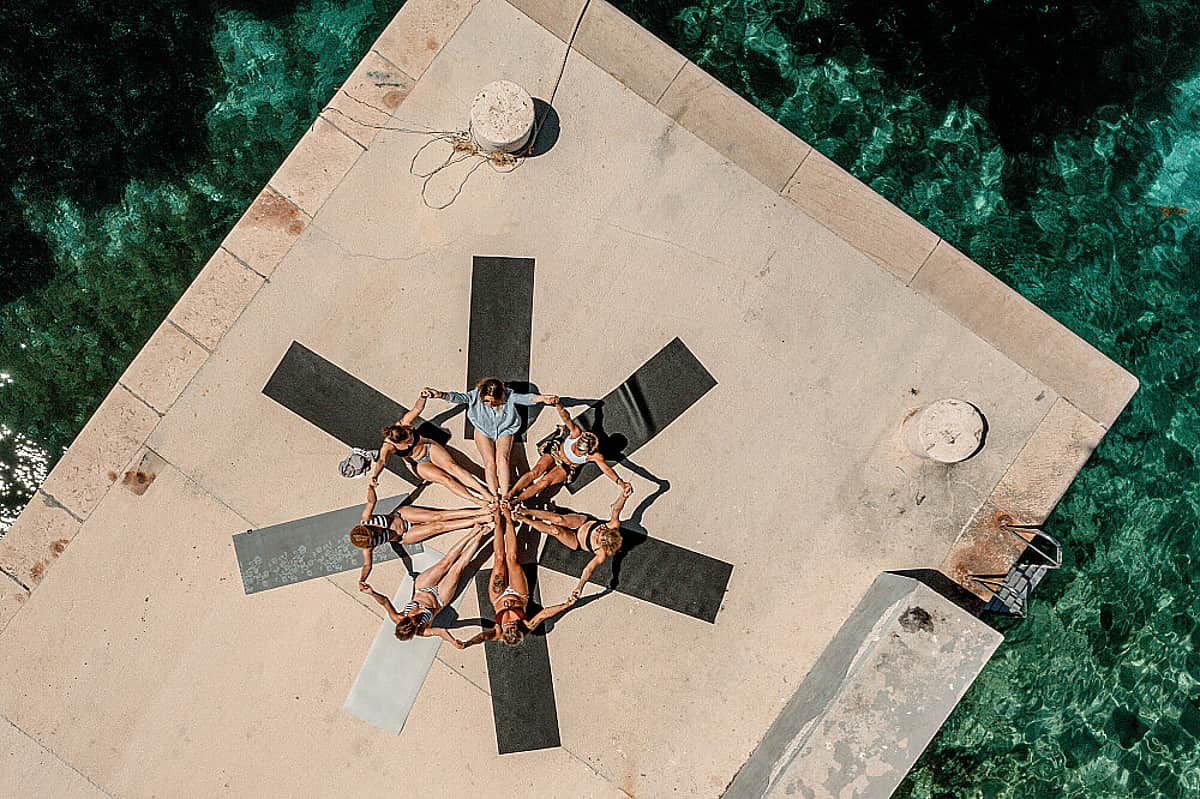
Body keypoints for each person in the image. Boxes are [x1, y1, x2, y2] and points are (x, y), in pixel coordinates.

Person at [359, 522, 492, 646]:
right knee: (457, 569)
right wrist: (453, 641)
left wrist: (372, 593)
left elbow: (385, 602)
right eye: (414, 623)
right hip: (440, 599)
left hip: (422, 589)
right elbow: (441, 632)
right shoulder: (422, 630)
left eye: (409, 618)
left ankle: (473, 532)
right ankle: (480, 535)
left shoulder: (398, 617)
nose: (413, 618)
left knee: (445, 563)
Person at [462, 503, 574, 648]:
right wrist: (566, 605)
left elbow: (483, 636)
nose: (511, 623)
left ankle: (497, 519)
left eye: (508, 627)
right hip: (519, 594)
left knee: (499, 558)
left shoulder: (497, 632)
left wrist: (469, 643)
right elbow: (544, 614)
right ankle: (508, 518)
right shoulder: (527, 626)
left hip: (498, 597)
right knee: (513, 558)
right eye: (514, 626)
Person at [424, 378, 558, 498]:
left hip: (505, 429)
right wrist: (439, 395)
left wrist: (544, 398)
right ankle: (494, 496)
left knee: (502, 459)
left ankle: (505, 496)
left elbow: (528, 398)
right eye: (486, 401)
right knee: (489, 463)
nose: (489, 404)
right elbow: (457, 397)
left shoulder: (509, 396)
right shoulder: (475, 395)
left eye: (494, 403)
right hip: (483, 430)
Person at [351, 483, 492, 587]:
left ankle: (479, 512)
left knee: (438, 516)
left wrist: (371, 487)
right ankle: (476, 521)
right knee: (438, 527)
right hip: (405, 536)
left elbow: (371, 501)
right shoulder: (369, 546)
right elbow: (367, 565)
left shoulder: (367, 518)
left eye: (374, 531)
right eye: (375, 537)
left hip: (403, 516)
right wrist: (362, 579)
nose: (378, 532)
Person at [370, 389, 490, 506]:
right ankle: (476, 500)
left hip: (429, 447)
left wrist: (422, 397)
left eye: (411, 436)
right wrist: (375, 476)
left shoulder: (404, 423)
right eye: (407, 442)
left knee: (453, 467)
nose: (410, 442)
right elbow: (381, 461)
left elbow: (417, 408)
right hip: (418, 463)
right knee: (446, 479)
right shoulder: (388, 446)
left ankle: (485, 492)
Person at [512, 482, 630, 601]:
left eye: (599, 539)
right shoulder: (613, 525)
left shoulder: (601, 553)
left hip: (576, 541)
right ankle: (526, 511)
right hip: (583, 523)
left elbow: (588, 569)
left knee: (555, 530)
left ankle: (525, 520)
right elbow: (616, 509)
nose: (598, 534)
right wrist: (624, 496)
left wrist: (579, 587)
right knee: (558, 519)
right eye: (602, 532)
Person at [506, 398, 631, 503]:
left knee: (544, 483)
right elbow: (566, 418)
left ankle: (516, 501)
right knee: (535, 472)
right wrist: (558, 404)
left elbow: (608, 470)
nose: (576, 450)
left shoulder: (595, 456)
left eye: (580, 451)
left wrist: (621, 483)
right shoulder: (576, 433)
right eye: (576, 446)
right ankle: (511, 494)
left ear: (588, 452)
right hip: (556, 453)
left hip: (566, 467)